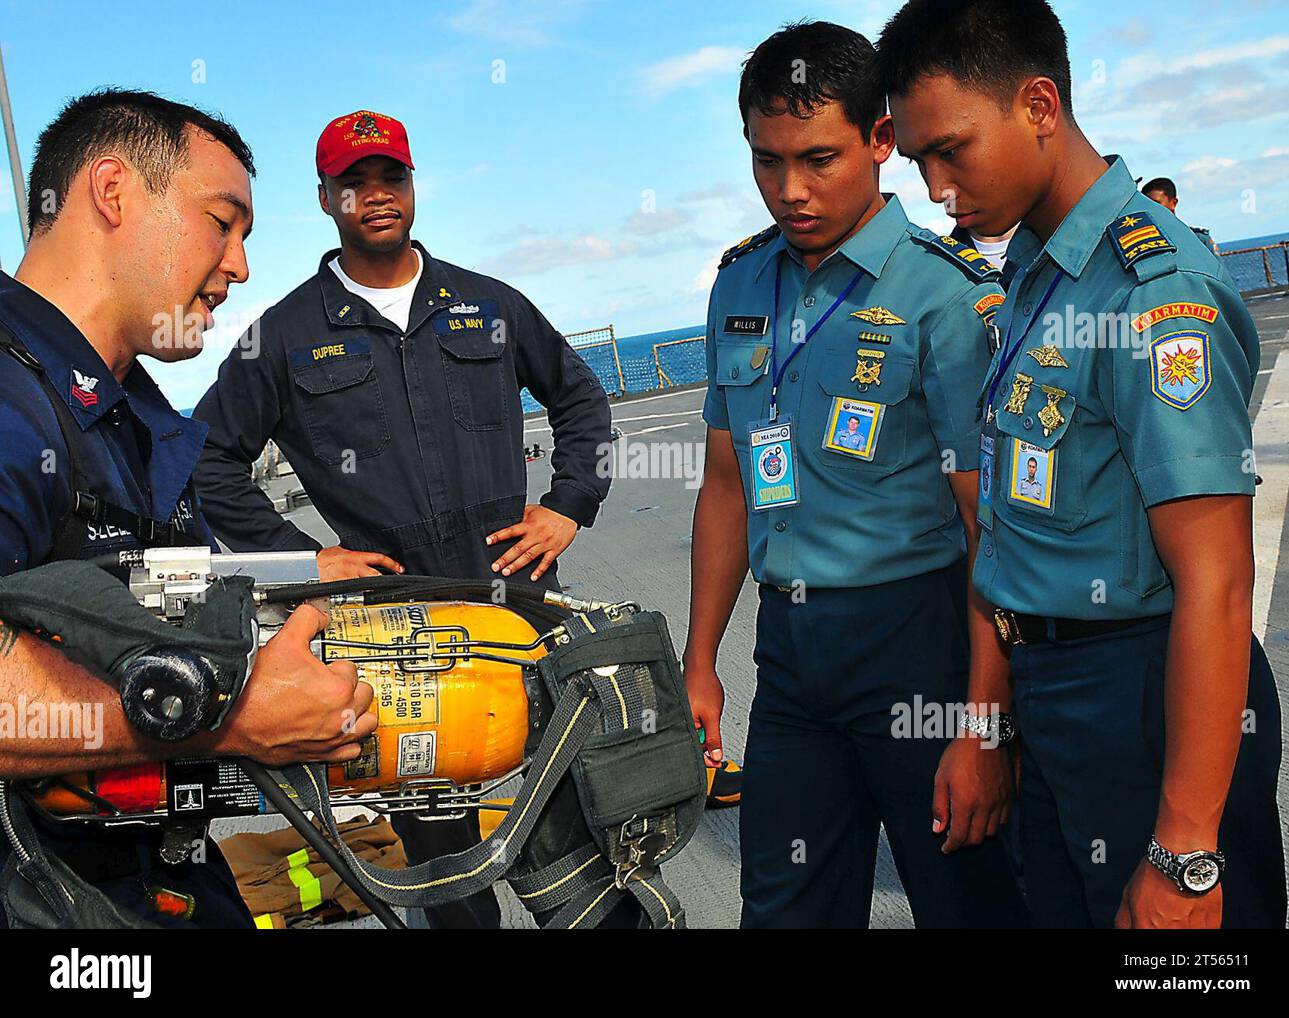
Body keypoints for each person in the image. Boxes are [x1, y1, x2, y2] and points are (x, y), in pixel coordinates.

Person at [879, 0, 1286, 928]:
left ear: (1038, 105)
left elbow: (1217, 583)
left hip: (1145, 698)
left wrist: (1185, 849)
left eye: (951, 150)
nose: (937, 188)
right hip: (1051, 693)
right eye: (919, 164)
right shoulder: (1032, 271)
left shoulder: (1153, 290)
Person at [191, 110, 617, 928]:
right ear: (325, 199)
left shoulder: (489, 304)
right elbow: (207, 461)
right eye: (354, 182)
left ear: (413, 186)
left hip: (519, 604)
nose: (376, 195)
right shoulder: (282, 337)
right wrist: (305, 561)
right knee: (446, 865)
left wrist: (568, 505)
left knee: (575, 823)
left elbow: (580, 398)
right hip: (400, 636)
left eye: (391, 177)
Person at [0, 89, 374, 928]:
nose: (239, 265)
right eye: (222, 221)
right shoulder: (11, 404)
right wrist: (221, 717)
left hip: (158, 884)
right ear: (113, 193)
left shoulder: (133, 424)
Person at [684, 20, 1026, 928]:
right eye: (766, 161)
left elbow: (985, 522)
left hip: (919, 640)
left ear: (882, 141)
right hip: (791, 658)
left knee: (967, 900)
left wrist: (984, 726)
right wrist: (700, 663)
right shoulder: (738, 286)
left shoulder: (945, 292)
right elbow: (726, 485)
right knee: (784, 902)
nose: (789, 191)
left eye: (819, 158)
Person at [1141, 177, 1219, 255]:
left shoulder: (1198, 240)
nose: (1151, 209)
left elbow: (1218, 266)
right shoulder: (1143, 245)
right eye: (1147, 205)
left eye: (1156, 203)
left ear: (1173, 203)